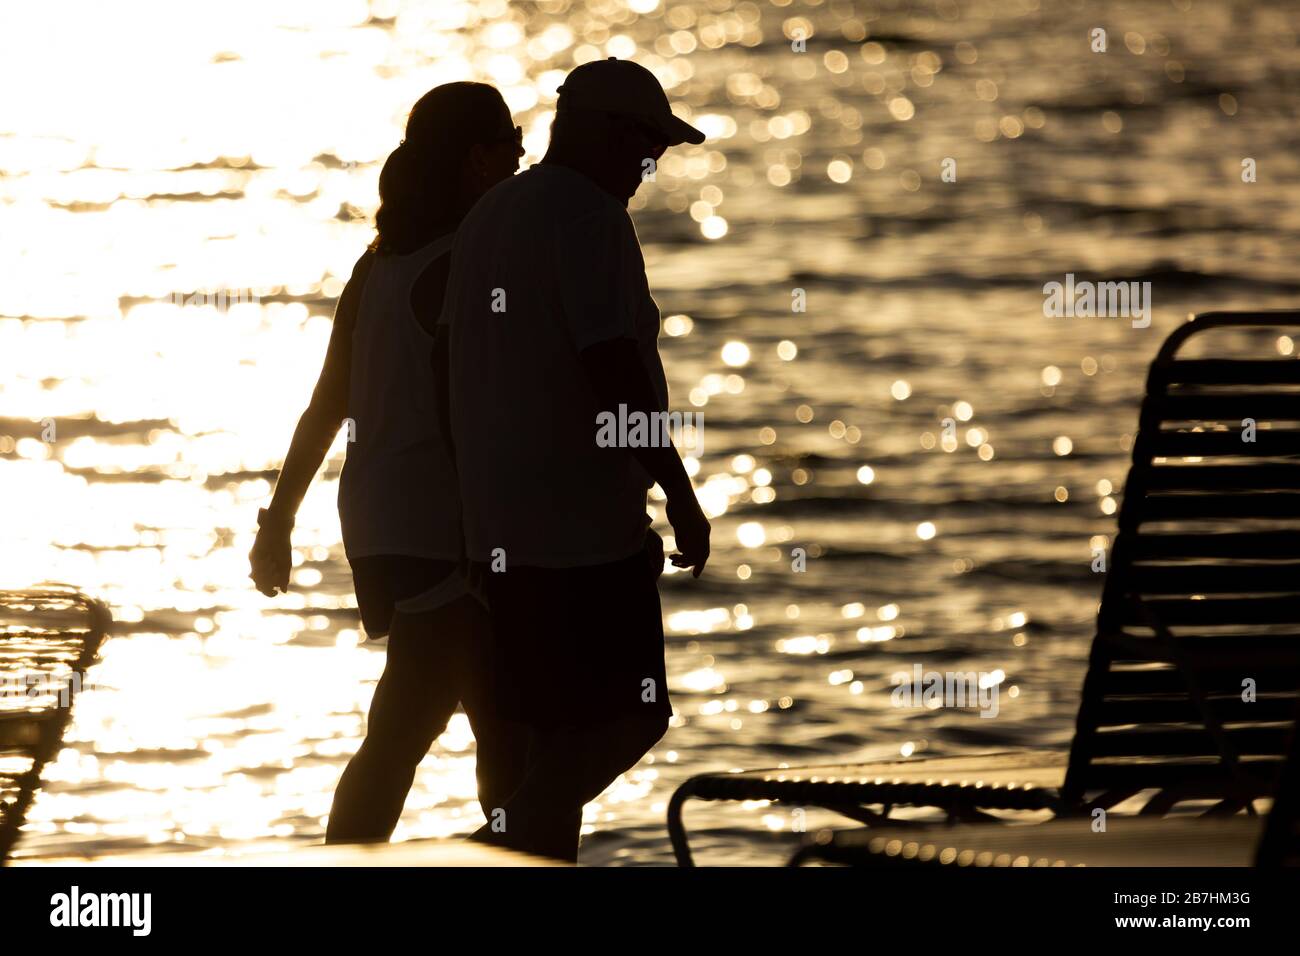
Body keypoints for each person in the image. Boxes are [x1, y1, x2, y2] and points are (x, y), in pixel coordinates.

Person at [436, 58, 712, 861]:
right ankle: (487, 843)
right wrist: (680, 494)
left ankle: (512, 836)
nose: (648, 167)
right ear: (599, 132)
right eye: (644, 146)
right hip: (583, 535)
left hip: (499, 535)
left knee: (538, 737)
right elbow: (613, 371)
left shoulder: (493, 214)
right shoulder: (589, 217)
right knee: (634, 713)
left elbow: (446, 361)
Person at [248, 82, 528, 843]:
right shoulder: (462, 266)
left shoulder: (378, 266)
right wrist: (487, 533)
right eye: (513, 142)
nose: (522, 155)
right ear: (478, 160)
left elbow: (323, 405)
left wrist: (278, 524)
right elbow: (464, 412)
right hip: (446, 529)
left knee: (412, 719)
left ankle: (367, 859)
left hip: (380, 526)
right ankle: (506, 854)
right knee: (496, 737)